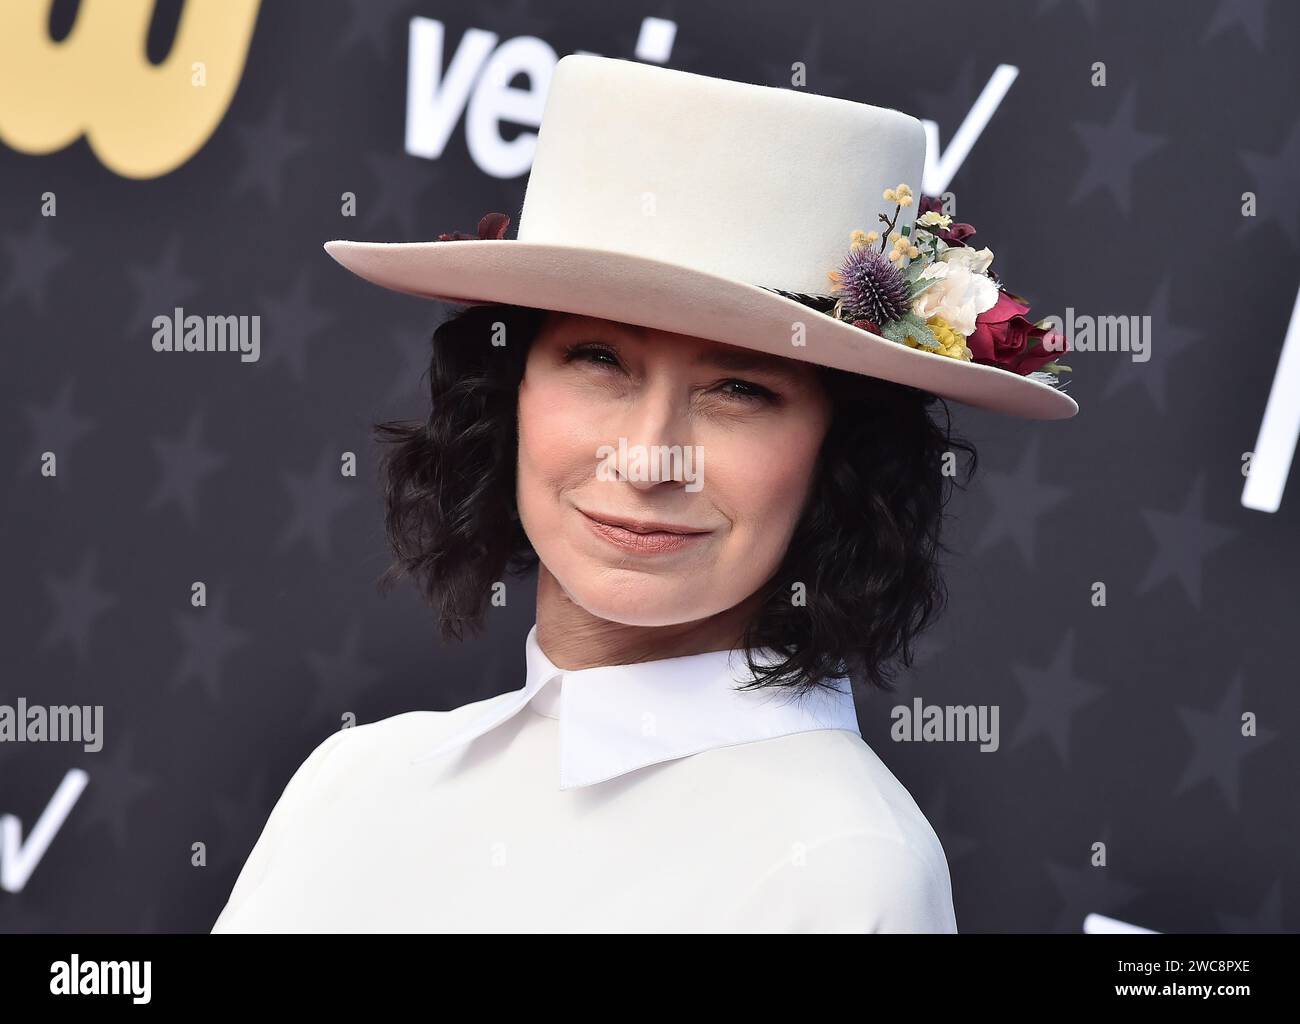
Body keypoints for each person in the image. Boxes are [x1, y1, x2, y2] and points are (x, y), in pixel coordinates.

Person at [211, 53, 1075, 934]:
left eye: (740, 389)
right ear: (505, 394)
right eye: (598, 360)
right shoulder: (355, 782)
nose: (650, 457)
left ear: (841, 454)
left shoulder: (842, 866)